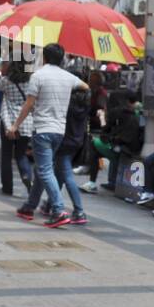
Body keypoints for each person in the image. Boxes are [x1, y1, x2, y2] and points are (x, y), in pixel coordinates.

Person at [8, 43, 87, 228]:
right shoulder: (68, 77)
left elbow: (28, 104)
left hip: (42, 129)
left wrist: (15, 125)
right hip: (59, 131)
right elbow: (85, 85)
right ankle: (29, 206)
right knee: (42, 170)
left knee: (44, 170)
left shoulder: (38, 76)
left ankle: (59, 210)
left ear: (44, 57)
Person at [86, 89, 142, 193]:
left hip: (123, 149)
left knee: (94, 144)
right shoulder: (138, 113)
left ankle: (92, 181)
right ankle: (110, 181)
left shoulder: (118, 112)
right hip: (131, 147)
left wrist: (102, 117)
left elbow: (105, 132)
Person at [53, 81, 91, 226]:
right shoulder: (85, 104)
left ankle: (79, 210)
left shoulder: (66, 104)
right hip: (77, 142)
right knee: (60, 174)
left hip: (64, 142)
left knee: (67, 176)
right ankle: (51, 203)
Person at [0, 58, 33, 196]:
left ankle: (7, 187)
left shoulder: (6, 81)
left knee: (6, 155)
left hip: (9, 121)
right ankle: (26, 176)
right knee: (21, 154)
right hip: (26, 122)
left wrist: (0, 72)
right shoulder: (31, 81)